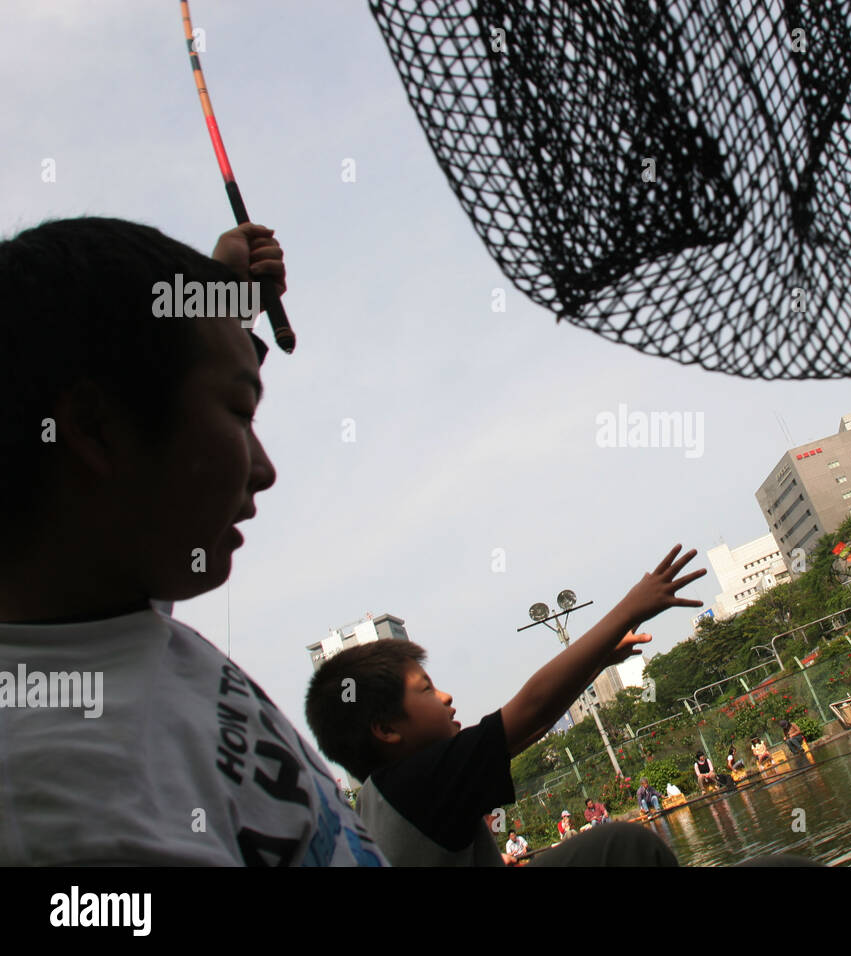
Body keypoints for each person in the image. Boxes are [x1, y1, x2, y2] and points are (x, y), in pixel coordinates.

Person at [0, 217, 388, 866]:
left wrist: (220, 296)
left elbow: (148, 359)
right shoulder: (78, 804)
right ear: (96, 431)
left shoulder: (98, 606)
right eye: (240, 412)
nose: (264, 468)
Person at [305, 543, 703, 866]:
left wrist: (599, 659)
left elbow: (532, 723)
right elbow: (530, 711)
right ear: (387, 728)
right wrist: (628, 610)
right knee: (623, 847)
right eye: (426, 689)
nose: (446, 697)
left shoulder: (382, 802)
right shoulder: (418, 782)